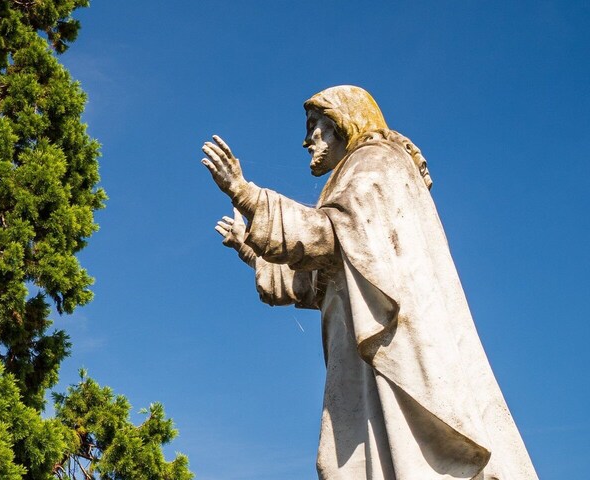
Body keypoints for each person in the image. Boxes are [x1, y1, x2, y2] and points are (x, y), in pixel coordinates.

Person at [200, 85, 538, 479]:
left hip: (391, 346)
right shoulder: (356, 175)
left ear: (344, 123)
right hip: (363, 346)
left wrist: (245, 193)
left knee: (401, 453)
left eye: (316, 126)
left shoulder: (376, 165)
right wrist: (249, 249)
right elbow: (316, 275)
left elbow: (323, 236)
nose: (307, 139)